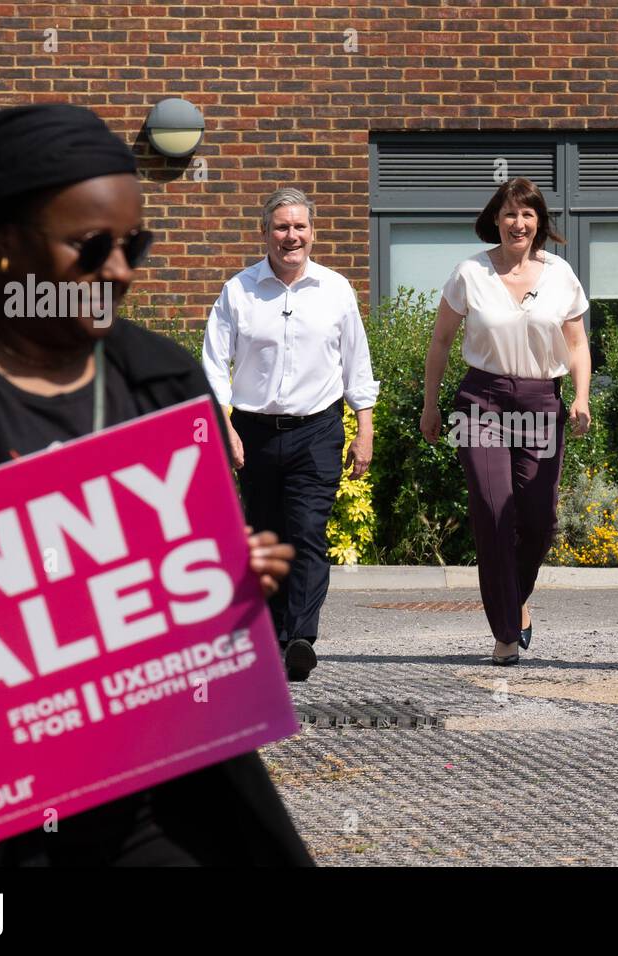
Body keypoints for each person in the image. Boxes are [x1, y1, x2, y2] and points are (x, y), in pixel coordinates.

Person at [0, 104, 313, 866]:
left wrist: (233, 581)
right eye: (90, 246)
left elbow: (204, 600)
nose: (120, 272)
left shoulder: (163, 382)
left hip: (146, 804)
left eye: (134, 245)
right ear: (4, 240)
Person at [203, 187, 379, 683]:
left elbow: (357, 367)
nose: (291, 236)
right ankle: (275, 634)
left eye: (299, 226)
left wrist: (362, 430)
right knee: (265, 535)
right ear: (265, 233)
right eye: (281, 227)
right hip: (253, 432)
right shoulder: (238, 291)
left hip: (317, 429)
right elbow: (215, 366)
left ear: (312, 232)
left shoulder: (335, 290)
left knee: (306, 532)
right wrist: (226, 427)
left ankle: (299, 638)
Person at [420, 177, 591, 666]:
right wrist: (431, 406)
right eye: (510, 214)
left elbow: (577, 345)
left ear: (540, 222)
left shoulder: (560, 274)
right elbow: (441, 343)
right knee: (493, 511)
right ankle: (505, 633)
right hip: (482, 401)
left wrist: (581, 397)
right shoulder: (469, 273)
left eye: (529, 214)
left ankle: (515, 599)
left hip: (541, 401)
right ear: (495, 219)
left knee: (539, 521)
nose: (519, 223)